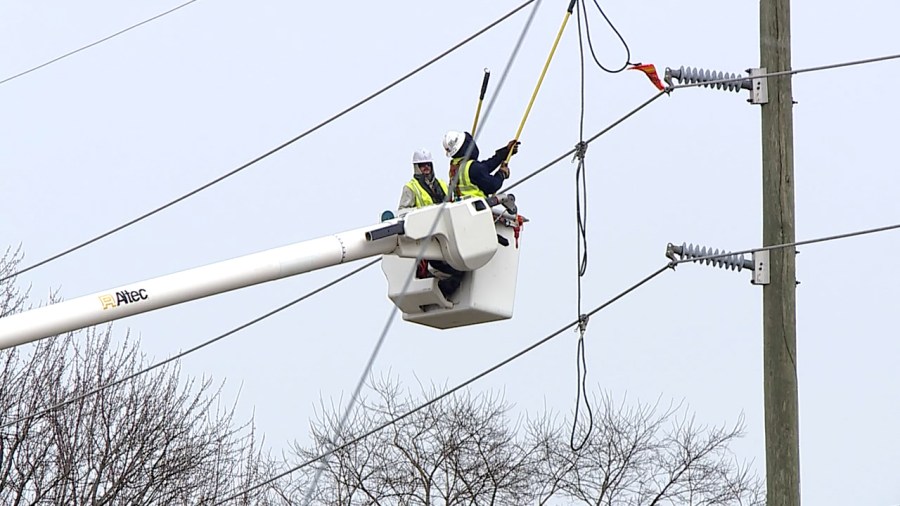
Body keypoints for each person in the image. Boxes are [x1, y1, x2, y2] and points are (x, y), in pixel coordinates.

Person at [397, 148, 464, 299]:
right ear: (417, 168)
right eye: (422, 165)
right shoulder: (411, 187)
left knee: (461, 266)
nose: (426, 168)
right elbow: (402, 212)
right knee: (456, 268)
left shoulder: (441, 184)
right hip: (426, 239)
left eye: (428, 164)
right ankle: (441, 292)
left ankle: (440, 289)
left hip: (444, 236)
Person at [441, 131, 520, 200]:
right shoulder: (472, 167)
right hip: (478, 209)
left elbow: (485, 167)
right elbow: (492, 185)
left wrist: (505, 152)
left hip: (464, 210)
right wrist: (501, 174)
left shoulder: (455, 166)